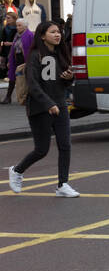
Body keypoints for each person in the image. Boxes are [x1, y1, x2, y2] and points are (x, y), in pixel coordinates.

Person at [8, 20, 79, 197]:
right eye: (53, 32)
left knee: (65, 145)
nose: (58, 35)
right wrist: (48, 104)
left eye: (59, 32)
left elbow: (63, 83)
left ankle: (63, 185)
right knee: (42, 150)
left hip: (60, 105)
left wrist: (69, 78)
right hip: (40, 108)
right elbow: (33, 85)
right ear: (42, 36)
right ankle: (17, 170)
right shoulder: (35, 56)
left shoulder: (61, 54)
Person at [5, 18, 31, 104]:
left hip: (25, 59)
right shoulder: (17, 35)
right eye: (17, 25)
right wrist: (9, 60)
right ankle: (8, 97)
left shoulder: (29, 35)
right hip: (16, 58)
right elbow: (13, 48)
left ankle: (26, 97)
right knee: (12, 77)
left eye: (19, 25)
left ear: (25, 26)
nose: (17, 27)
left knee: (26, 78)